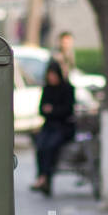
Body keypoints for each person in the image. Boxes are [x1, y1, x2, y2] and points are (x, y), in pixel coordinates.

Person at [30, 60, 75, 197]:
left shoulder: (67, 88)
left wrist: (52, 110)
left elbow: (67, 110)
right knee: (40, 145)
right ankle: (43, 178)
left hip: (63, 127)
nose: (52, 78)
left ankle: (44, 178)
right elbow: (42, 109)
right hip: (49, 126)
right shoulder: (47, 89)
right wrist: (52, 111)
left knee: (50, 146)